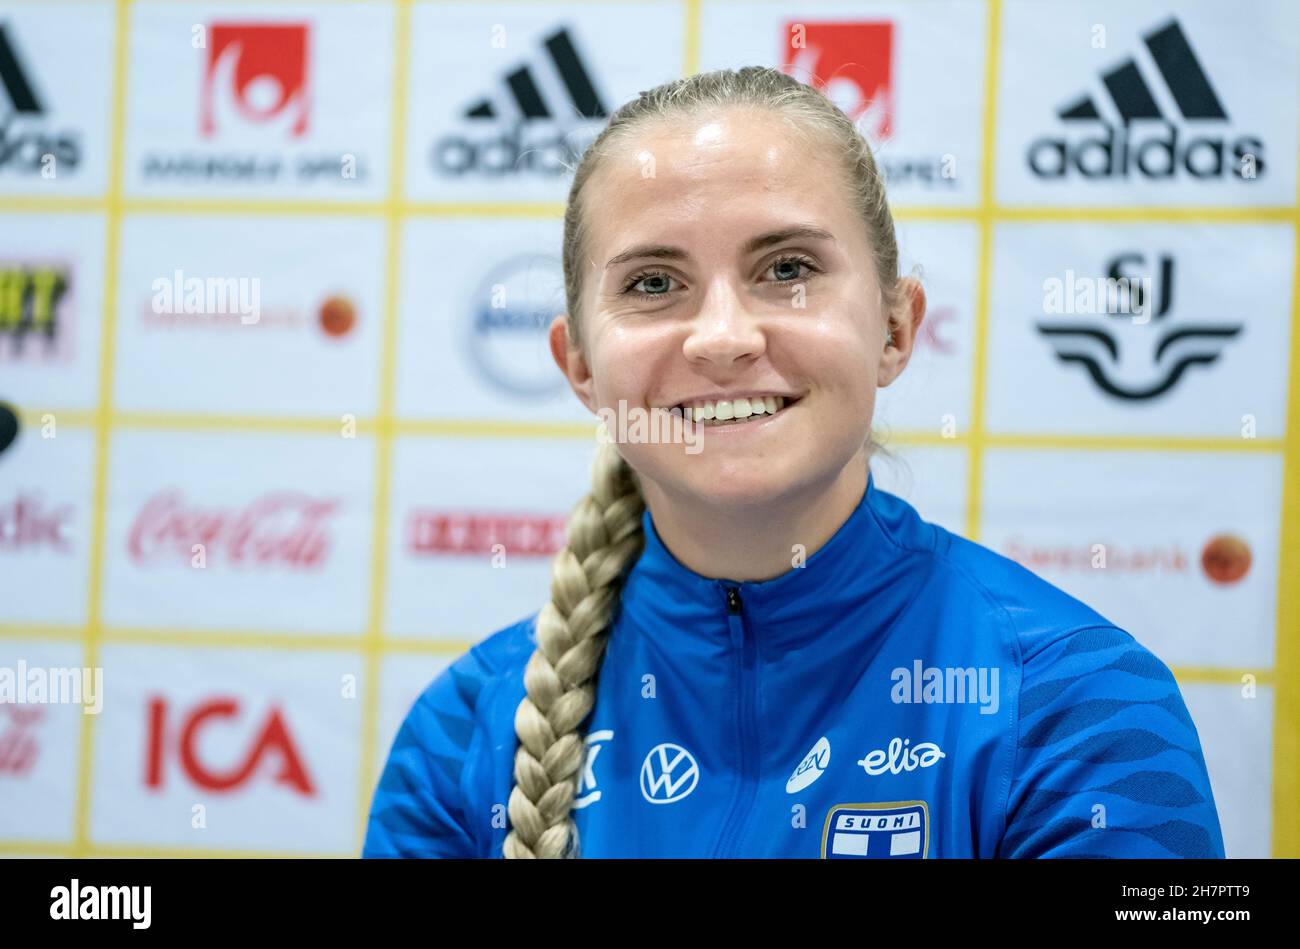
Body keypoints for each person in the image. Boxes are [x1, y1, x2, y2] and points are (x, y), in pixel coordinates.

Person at [363, 66, 1224, 859]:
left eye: (788, 268)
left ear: (894, 328)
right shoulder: (466, 728)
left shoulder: (1084, 703)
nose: (725, 338)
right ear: (580, 365)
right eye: (655, 284)